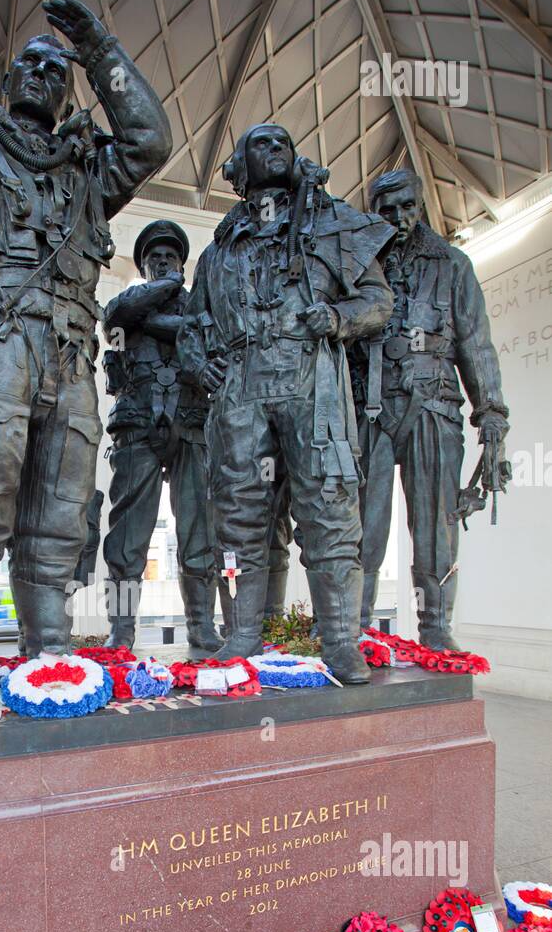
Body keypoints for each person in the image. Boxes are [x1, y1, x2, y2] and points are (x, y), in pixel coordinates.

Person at [0, 0, 171, 722]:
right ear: (8, 78)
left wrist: (100, 48)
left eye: (58, 70)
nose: (45, 75)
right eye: (32, 65)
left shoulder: (88, 168)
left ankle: (51, 666)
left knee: (59, 528)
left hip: (71, 356)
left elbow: (148, 139)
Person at [177, 123, 394, 683]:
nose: (274, 149)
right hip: (240, 390)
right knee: (238, 518)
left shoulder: (331, 225)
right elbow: (190, 326)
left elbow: (379, 302)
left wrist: (341, 319)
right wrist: (202, 365)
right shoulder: (218, 250)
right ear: (240, 166)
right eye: (260, 143)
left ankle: (342, 640)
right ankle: (243, 632)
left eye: (282, 143)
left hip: (311, 379)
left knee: (329, 509)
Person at [351, 169, 510, 649]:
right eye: (387, 210)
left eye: (408, 207)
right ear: (372, 212)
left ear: (420, 206)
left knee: (437, 527)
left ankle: (436, 629)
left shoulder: (453, 264)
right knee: (361, 529)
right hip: (370, 411)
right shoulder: (356, 265)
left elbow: (476, 346)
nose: (399, 219)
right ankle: (350, 632)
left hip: (433, 408)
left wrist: (492, 416)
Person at [101, 219, 224, 657]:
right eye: (155, 259)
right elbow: (114, 315)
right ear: (145, 267)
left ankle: (202, 627)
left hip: (192, 426)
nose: (164, 263)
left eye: (171, 258)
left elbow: (210, 337)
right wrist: (160, 302)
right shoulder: (128, 305)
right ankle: (121, 628)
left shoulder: (200, 309)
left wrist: (158, 321)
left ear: (183, 264)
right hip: (136, 427)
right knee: (127, 538)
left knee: (198, 532)